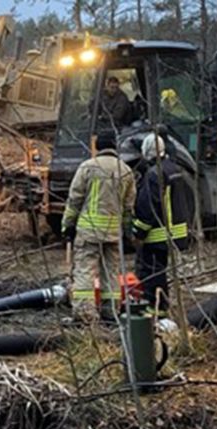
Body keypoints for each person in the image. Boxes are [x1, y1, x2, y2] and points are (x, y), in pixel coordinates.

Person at [62, 130, 136, 321]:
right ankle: (111, 311)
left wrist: (67, 226)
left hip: (89, 231)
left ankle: (85, 313)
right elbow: (129, 206)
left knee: (85, 271)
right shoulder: (125, 171)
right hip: (113, 232)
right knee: (111, 272)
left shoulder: (87, 167)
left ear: (98, 146)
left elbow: (74, 199)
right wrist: (128, 232)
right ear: (115, 146)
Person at [132, 134, 192, 313]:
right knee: (161, 272)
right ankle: (163, 308)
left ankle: (154, 311)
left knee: (151, 274)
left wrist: (138, 231)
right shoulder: (174, 169)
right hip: (175, 231)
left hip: (158, 234)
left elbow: (148, 207)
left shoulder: (154, 174)